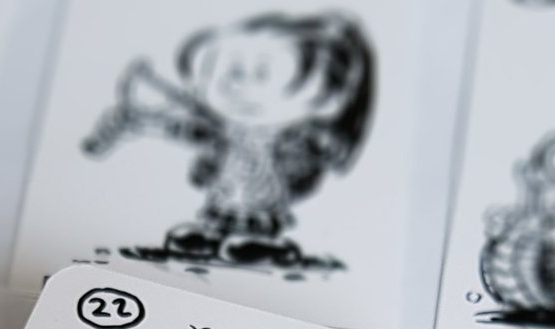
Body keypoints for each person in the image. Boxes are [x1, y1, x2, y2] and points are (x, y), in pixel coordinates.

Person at [83, 12, 373, 265]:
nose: (233, 85)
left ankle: (260, 245)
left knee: (254, 219)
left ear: (324, 99)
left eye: (259, 74)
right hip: (225, 192)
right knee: (220, 214)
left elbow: (320, 150)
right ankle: (210, 237)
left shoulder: (290, 138)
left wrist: (323, 146)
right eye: (216, 69)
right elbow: (183, 128)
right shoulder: (222, 130)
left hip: (262, 196)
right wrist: (144, 121)